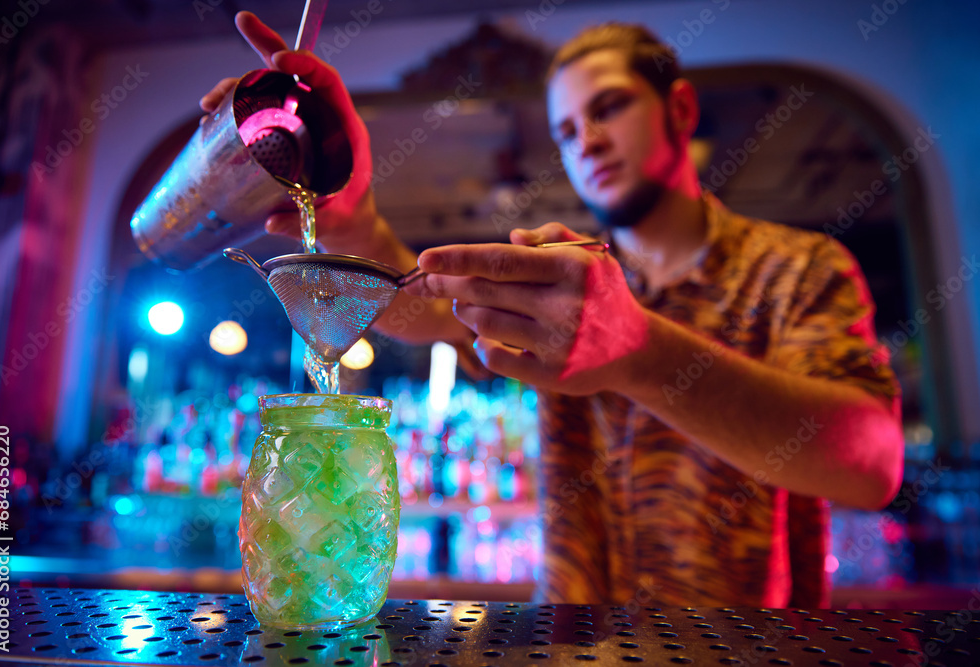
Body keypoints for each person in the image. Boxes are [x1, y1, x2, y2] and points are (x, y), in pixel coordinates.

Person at [203, 12, 903, 607]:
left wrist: (641, 352)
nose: (586, 140)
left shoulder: (797, 270)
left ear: (681, 111)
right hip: (576, 646)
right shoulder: (566, 280)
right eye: (566, 131)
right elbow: (424, 309)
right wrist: (353, 218)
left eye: (609, 108)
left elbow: (872, 464)